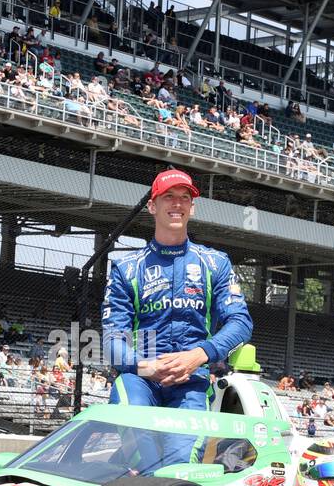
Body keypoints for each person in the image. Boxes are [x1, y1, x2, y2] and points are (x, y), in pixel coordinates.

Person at [103, 168, 253, 414]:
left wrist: (199, 355)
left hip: (192, 381)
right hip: (139, 378)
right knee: (137, 433)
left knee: (182, 453)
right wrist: (147, 366)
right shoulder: (126, 268)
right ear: (152, 206)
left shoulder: (215, 263)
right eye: (169, 196)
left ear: (192, 207)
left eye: (185, 197)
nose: (177, 203)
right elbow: (113, 342)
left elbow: (241, 322)